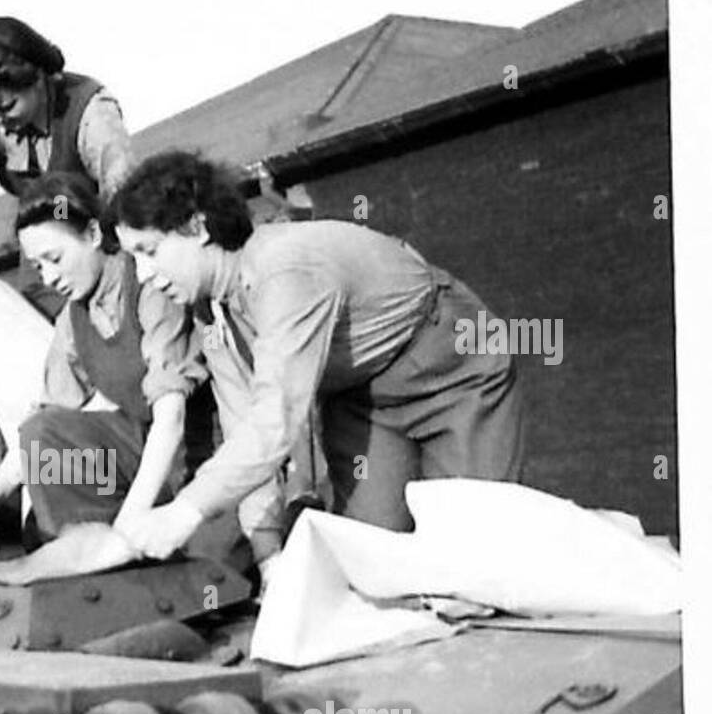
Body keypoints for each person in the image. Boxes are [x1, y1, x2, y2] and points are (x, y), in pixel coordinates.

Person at [109, 151, 526, 564]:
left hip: (451, 373)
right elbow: (244, 425)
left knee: (469, 556)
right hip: (361, 400)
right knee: (369, 560)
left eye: (150, 251)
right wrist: (267, 551)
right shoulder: (212, 310)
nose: (143, 274)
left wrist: (187, 510)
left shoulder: (284, 269)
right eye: (134, 259)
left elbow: (276, 418)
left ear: (197, 227)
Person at [0, 172, 203, 541]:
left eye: (55, 258)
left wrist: (127, 527)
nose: (49, 277)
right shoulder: (74, 319)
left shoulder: (149, 286)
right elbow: (38, 432)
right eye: (38, 266)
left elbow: (172, 418)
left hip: (199, 450)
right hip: (140, 452)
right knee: (40, 434)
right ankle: (69, 544)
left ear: (92, 234)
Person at [0, 17, 134, 281]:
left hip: (97, 232)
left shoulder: (93, 115)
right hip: (43, 232)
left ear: (38, 80)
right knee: (33, 303)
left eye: (6, 108)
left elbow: (123, 201)